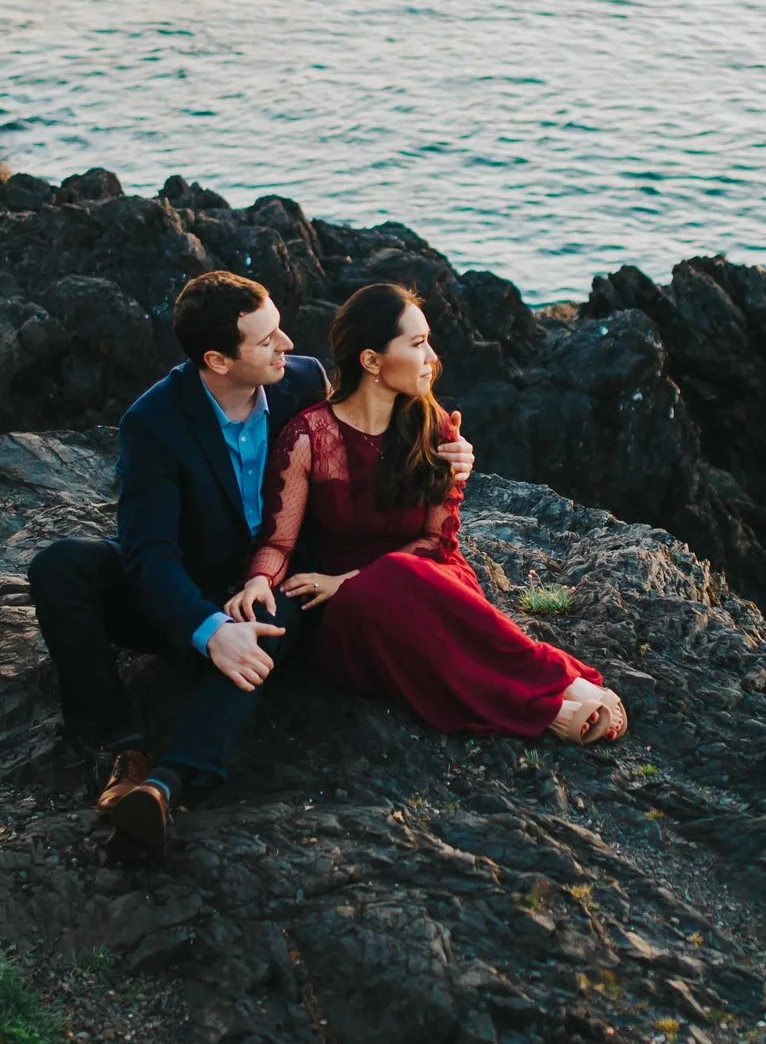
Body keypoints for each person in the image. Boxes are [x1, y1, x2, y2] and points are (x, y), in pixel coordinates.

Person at [26, 270, 475, 854]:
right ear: (216, 359)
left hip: (284, 582)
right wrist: (209, 631)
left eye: (280, 329)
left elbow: (376, 428)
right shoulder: (153, 422)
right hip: (187, 592)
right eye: (267, 341)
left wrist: (448, 455)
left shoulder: (304, 381)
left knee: (266, 621)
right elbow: (148, 552)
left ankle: (168, 783)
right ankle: (123, 747)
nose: (287, 345)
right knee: (59, 566)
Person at [228, 282, 626, 744]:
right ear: (372, 361)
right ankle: (550, 701)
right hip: (352, 615)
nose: (432, 357)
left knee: (401, 573)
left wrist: (350, 577)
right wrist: (259, 579)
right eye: (417, 344)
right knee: (386, 589)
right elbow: (279, 542)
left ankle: (555, 684)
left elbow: (435, 543)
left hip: (433, 580)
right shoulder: (309, 437)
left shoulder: (434, 426)